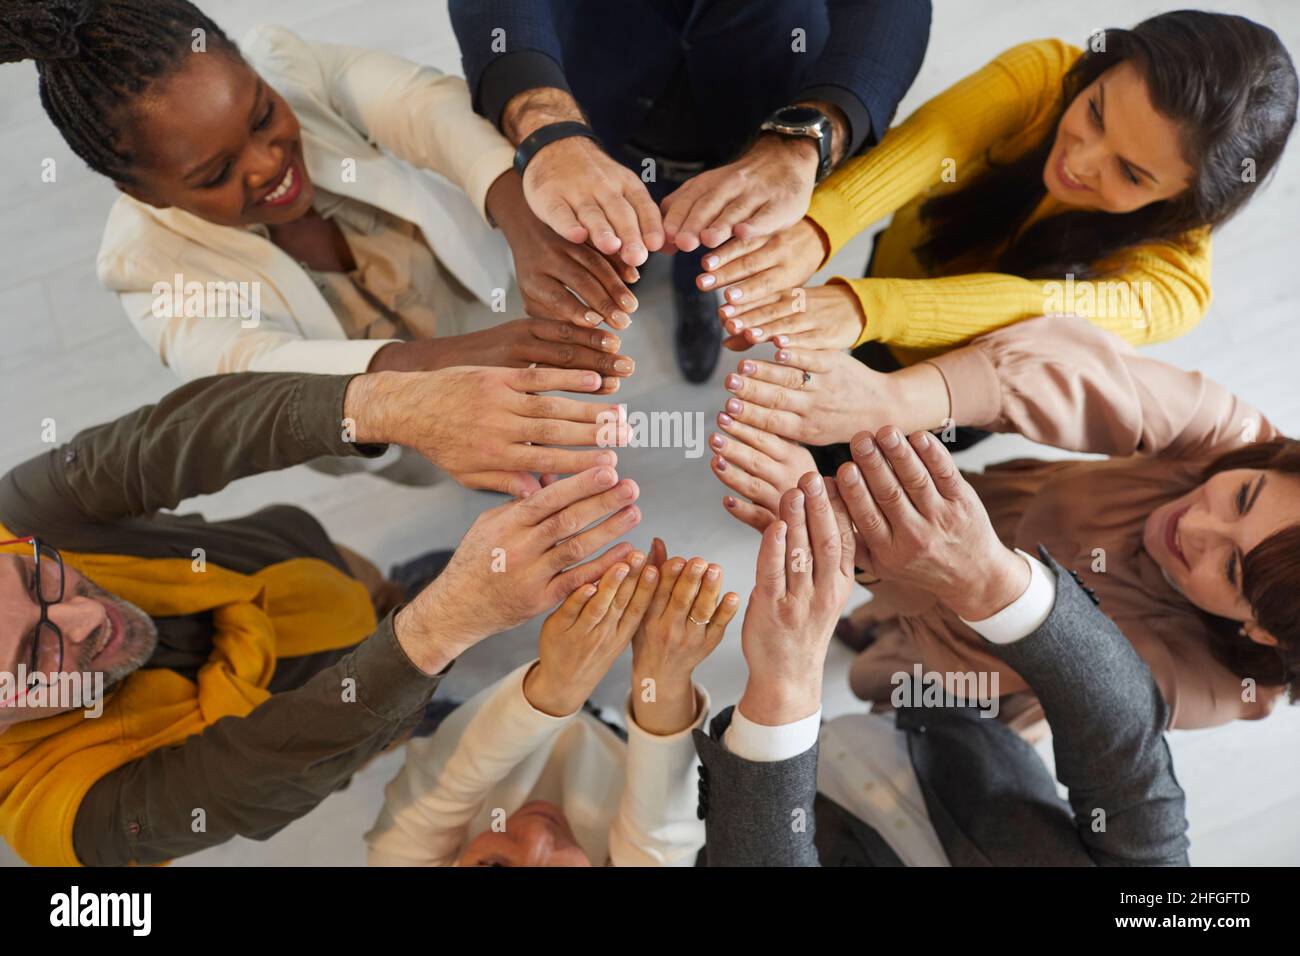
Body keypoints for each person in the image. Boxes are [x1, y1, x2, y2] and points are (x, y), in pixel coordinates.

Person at [0, 363, 640, 866]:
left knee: (389, 596)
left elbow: (179, 438)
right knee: (391, 709)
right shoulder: (61, 819)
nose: (83, 616)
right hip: (313, 720)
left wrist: (388, 405)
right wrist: (446, 622)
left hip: (306, 566)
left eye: (38, 577)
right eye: (36, 652)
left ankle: (409, 597)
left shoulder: (16, 522)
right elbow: (254, 776)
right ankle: (419, 700)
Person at [1, 0, 639, 388]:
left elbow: (426, 109)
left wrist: (522, 223)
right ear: (140, 191)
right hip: (389, 404)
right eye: (216, 175)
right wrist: (458, 365)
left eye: (261, 116)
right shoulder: (143, 268)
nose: (269, 162)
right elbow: (254, 370)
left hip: (475, 288)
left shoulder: (289, 63)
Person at [707, 315, 1300, 730]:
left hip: (995, 662)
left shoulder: (1203, 685)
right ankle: (872, 611)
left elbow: (991, 660)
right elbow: (1078, 369)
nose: (1197, 526)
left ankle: (874, 623)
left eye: (1229, 566)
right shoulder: (1242, 441)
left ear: (1262, 633)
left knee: (878, 678)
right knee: (890, 585)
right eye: (1243, 496)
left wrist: (845, 538)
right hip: (1009, 509)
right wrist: (899, 398)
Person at [702, 11, 1297, 377]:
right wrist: (817, 228)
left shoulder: (1172, 288)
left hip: (951, 382)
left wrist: (868, 308)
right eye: (1094, 111)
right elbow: (934, 141)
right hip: (901, 264)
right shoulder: (1044, 74)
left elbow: (1040, 305)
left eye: (1133, 173)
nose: (1080, 160)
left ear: (1190, 200)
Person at [695, 442, 1189, 866]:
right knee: (883, 672)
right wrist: (988, 578)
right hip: (935, 733)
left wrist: (785, 686)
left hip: (750, 813)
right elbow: (1126, 749)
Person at [449, 0, 931, 382]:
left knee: (714, 241)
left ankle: (694, 296)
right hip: (593, 87)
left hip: (764, 91)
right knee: (608, 229)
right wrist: (543, 122)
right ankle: (624, 268)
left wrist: (809, 135)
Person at [366, 540, 739, 866]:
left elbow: (440, 785)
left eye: (492, 866)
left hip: (463, 757)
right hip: (610, 757)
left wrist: (557, 684)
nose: (536, 834)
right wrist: (663, 677)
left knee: (393, 708)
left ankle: (406, 594)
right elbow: (660, 836)